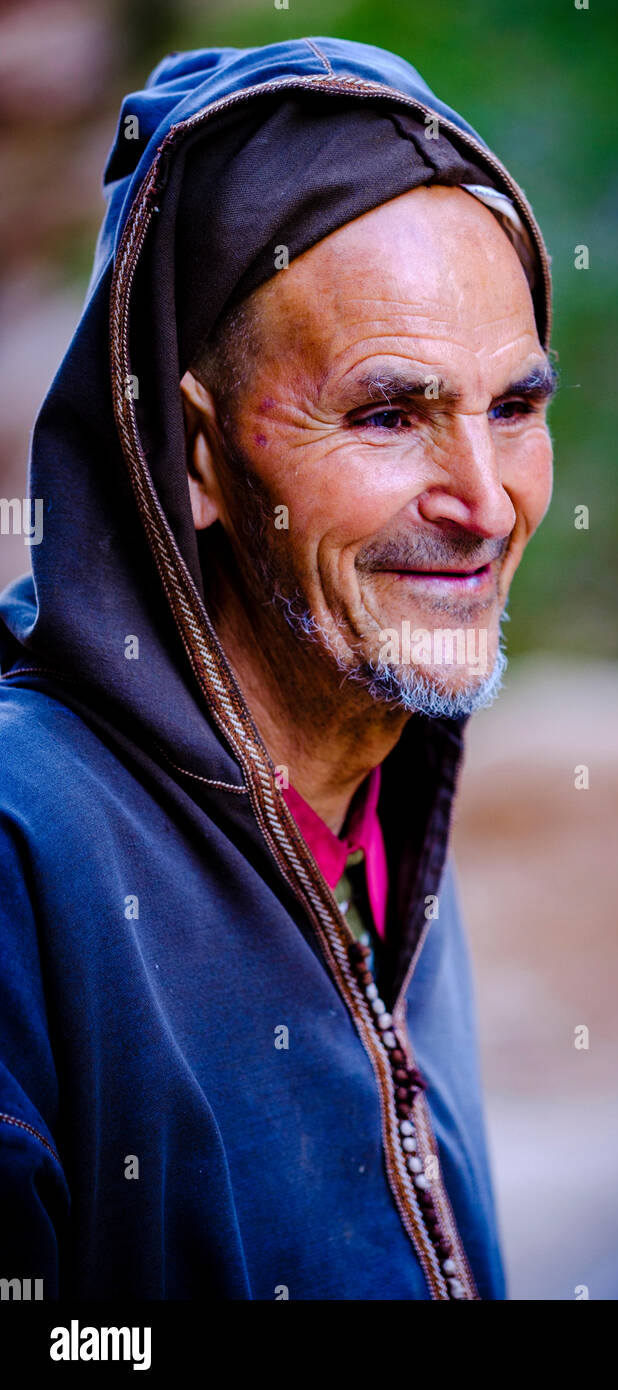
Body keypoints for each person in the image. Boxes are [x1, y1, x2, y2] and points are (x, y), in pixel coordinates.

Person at [0, 36, 554, 1300]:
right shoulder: (24, 850)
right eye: (386, 414)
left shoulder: (381, 782)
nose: (484, 501)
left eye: (514, 408)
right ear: (189, 452)